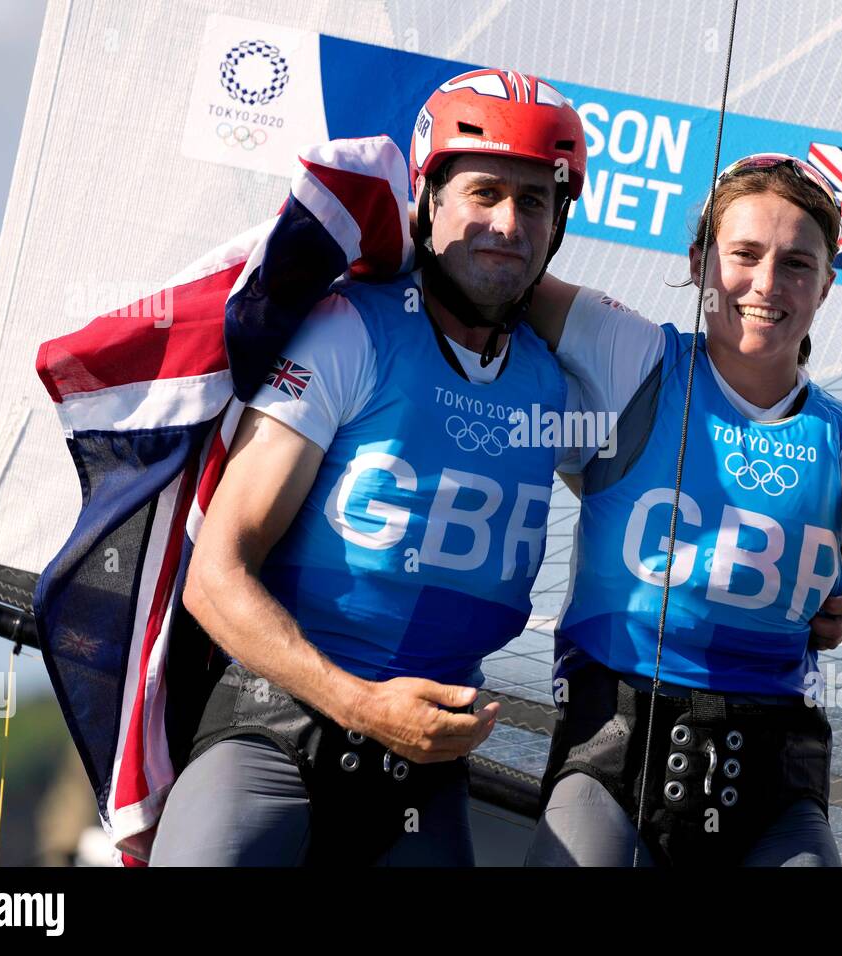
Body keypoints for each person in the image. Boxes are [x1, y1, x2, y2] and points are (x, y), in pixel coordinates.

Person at [150, 68, 591, 866]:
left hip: (421, 775)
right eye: (484, 192)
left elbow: (665, 492)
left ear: (559, 224)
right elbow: (215, 578)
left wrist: (828, 565)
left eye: (535, 202)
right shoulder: (349, 331)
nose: (507, 222)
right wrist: (362, 705)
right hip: (274, 729)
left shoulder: (555, 382)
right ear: (427, 204)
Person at [520, 153, 842, 866]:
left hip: (772, 786)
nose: (765, 284)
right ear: (699, 264)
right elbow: (500, 270)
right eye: (743, 255)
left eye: (796, 265)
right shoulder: (635, 354)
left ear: (826, 287)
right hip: (612, 755)